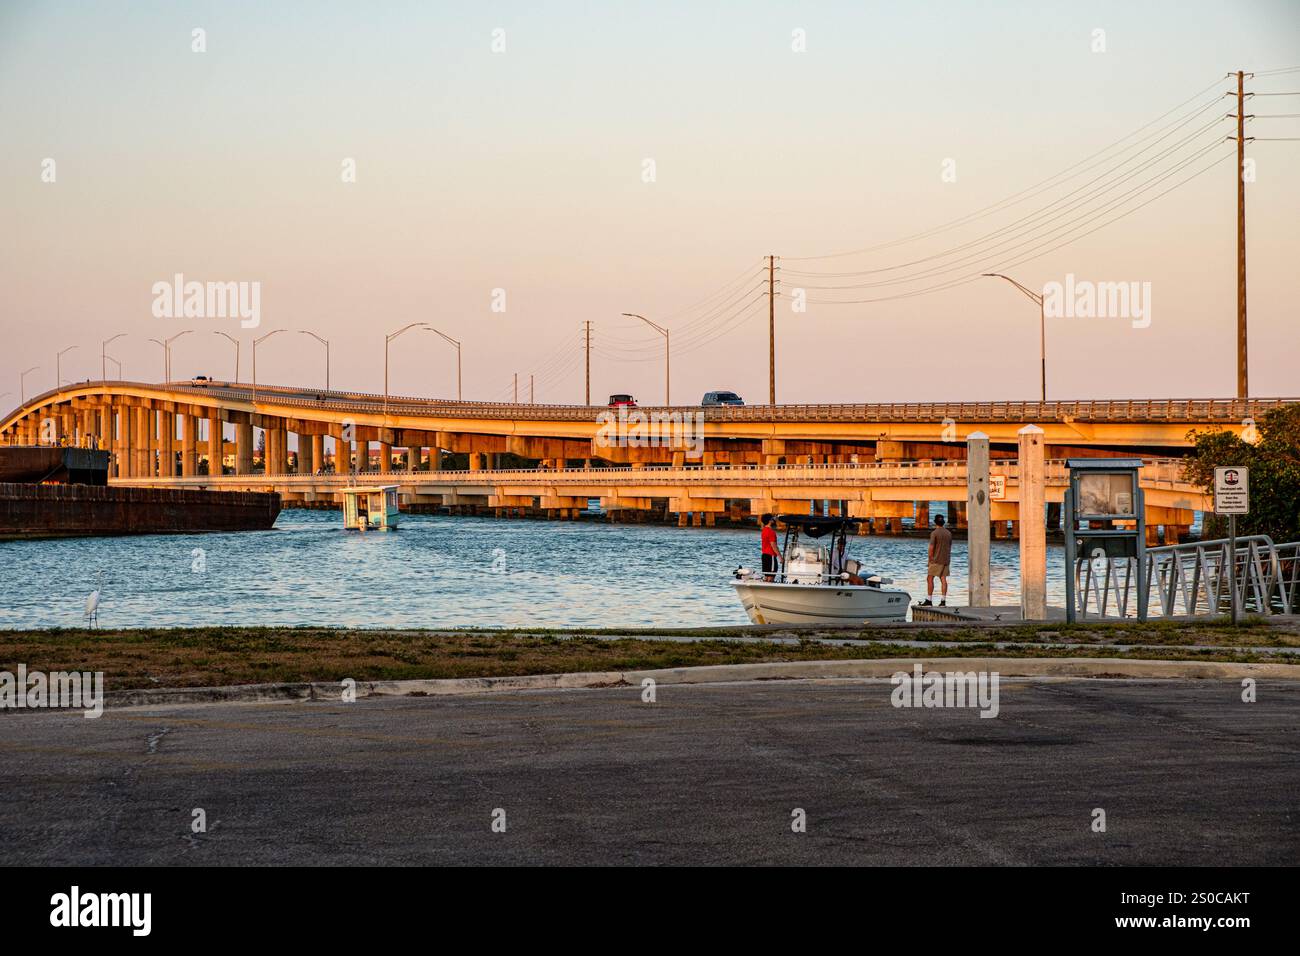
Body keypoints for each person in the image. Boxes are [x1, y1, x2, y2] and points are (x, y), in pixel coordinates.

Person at [922, 513, 953, 606]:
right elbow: (950, 546)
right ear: (943, 522)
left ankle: (929, 600)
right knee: (943, 579)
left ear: (935, 522)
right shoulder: (948, 533)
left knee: (929, 578)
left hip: (936, 560)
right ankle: (943, 601)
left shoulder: (934, 533)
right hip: (946, 559)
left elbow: (931, 547)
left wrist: (930, 560)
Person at [760, 513, 780, 581]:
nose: (773, 520)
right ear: (770, 521)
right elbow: (773, 545)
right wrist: (780, 557)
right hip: (770, 556)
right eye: (772, 519)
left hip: (764, 556)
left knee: (766, 577)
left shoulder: (764, 530)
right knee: (771, 577)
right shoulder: (771, 532)